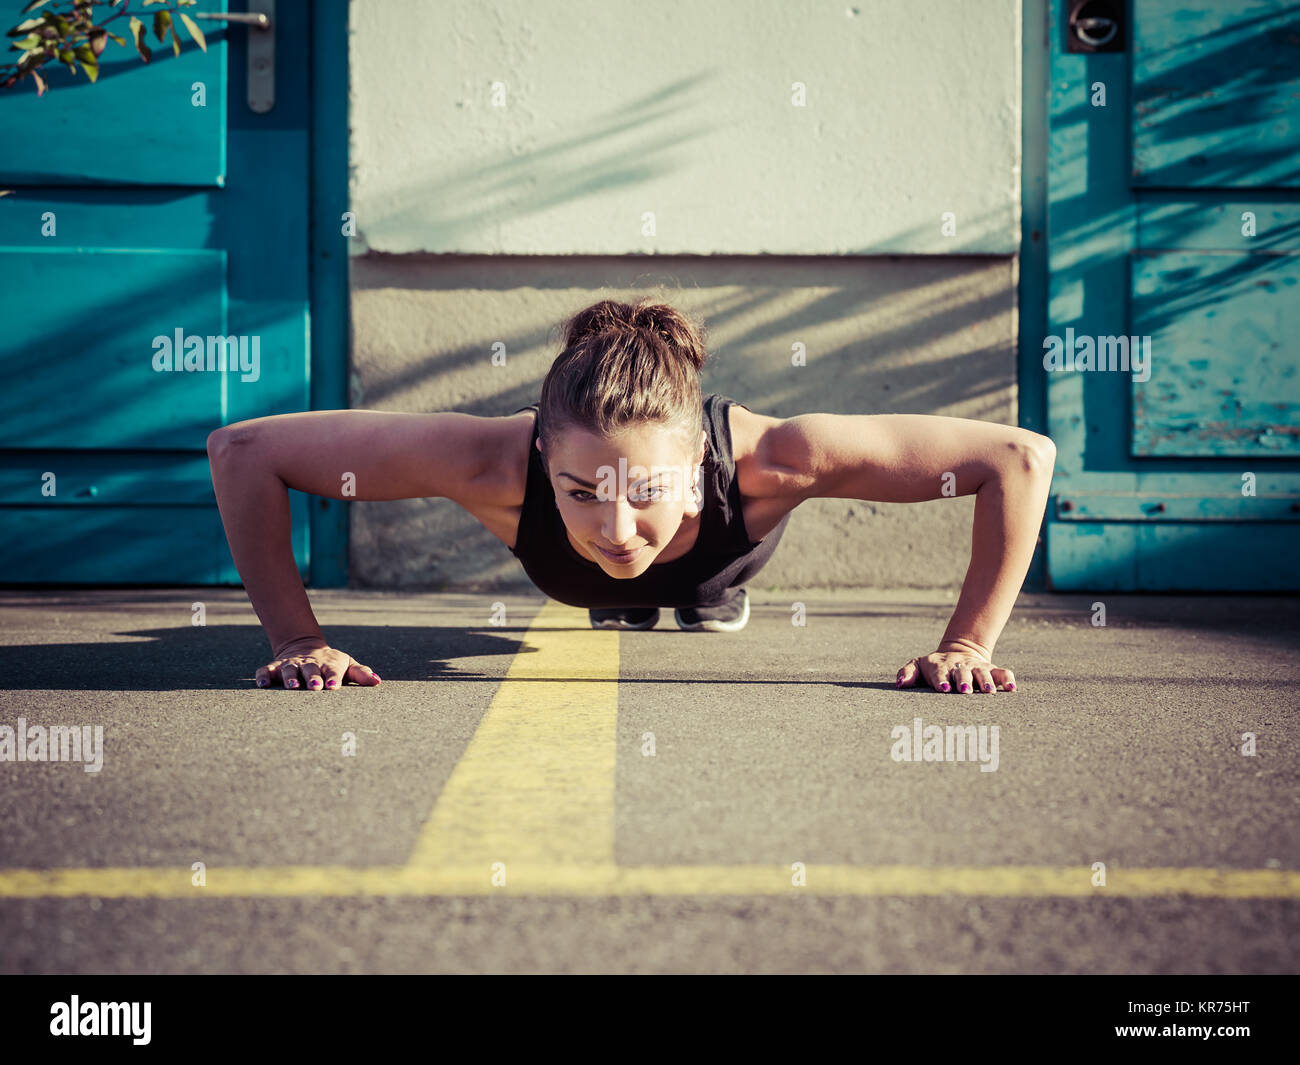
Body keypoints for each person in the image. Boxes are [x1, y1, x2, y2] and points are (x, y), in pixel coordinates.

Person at [207, 297, 1055, 695]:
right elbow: (242, 449)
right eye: (580, 490)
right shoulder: (486, 461)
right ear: (541, 455)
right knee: (600, 579)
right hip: (565, 580)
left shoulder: (778, 457)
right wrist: (297, 639)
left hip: (717, 568)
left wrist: (969, 647)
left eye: (646, 491)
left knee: (697, 592)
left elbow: (1019, 457)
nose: (616, 527)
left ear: (696, 467)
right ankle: (621, 600)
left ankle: (699, 597)